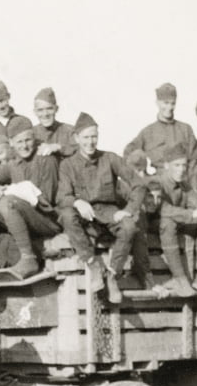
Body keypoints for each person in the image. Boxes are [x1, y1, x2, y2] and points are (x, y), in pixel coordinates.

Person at [58, 112, 149, 303]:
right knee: (67, 215)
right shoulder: (68, 165)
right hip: (85, 216)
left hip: (108, 213)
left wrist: (128, 210)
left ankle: (112, 274)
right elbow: (62, 196)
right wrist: (77, 202)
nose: (90, 142)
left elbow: (139, 184)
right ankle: (93, 265)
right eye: (85, 137)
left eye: (94, 137)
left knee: (129, 226)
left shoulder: (110, 159)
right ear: (76, 138)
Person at [0, 115, 61, 278]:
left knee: (8, 201)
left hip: (46, 220)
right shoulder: (13, 165)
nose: (24, 146)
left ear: (34, 138)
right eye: (19, 142)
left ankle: (29, 259)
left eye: (28, 140)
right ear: (11, 143)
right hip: (22, 216)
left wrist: (12, 190)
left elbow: (46, 201)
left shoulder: (46, 160)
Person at [154, 142, 197, 297]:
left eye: (184, 165)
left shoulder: (184, 185)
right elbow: (163, 209)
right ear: (166, 165)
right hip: (156, 225)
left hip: (178, 223)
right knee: (168, 222)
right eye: (176, 165)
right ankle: (179, 278)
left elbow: (194, 201)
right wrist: (191, 215)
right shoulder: (158, 183)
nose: (181, 169)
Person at [123, 83, 197, 173]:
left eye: (173, 103)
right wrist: (141, 172)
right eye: (166, 103)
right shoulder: (148, 132)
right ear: (157, 103)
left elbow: (195, 158)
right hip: (158, 178)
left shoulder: (185, 129)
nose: (169, 107)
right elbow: (129, 152)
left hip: (183, 177)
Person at [31, 87, 76, 160]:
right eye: (40, 110)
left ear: (56, 109)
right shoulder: (31, 133)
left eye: (49, 109)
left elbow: (81, 150)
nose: (45, 114)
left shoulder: (69, 131)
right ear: (35, 112)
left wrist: (59, 147)